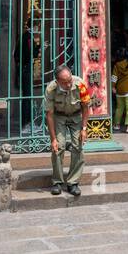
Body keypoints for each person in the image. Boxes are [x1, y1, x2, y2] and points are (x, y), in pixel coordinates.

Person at [44, 63, 85, 198]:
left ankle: (73, 182)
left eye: (70, 81)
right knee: (58, 147)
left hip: (76, 116)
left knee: (77, 146)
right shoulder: (51, 89)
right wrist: (53, 139)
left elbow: (86, 107)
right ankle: (57, 181)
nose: (68, 85)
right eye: (65, 82)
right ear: (58, 81)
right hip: (59, 117)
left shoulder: (80, 84)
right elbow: (49, 114)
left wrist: (84, 128)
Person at [111, 47, 128, 134]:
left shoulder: (116, 66)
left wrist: (113, 87)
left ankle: (116, 125)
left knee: (119, 108)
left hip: (119, 91)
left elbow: (114, 78)